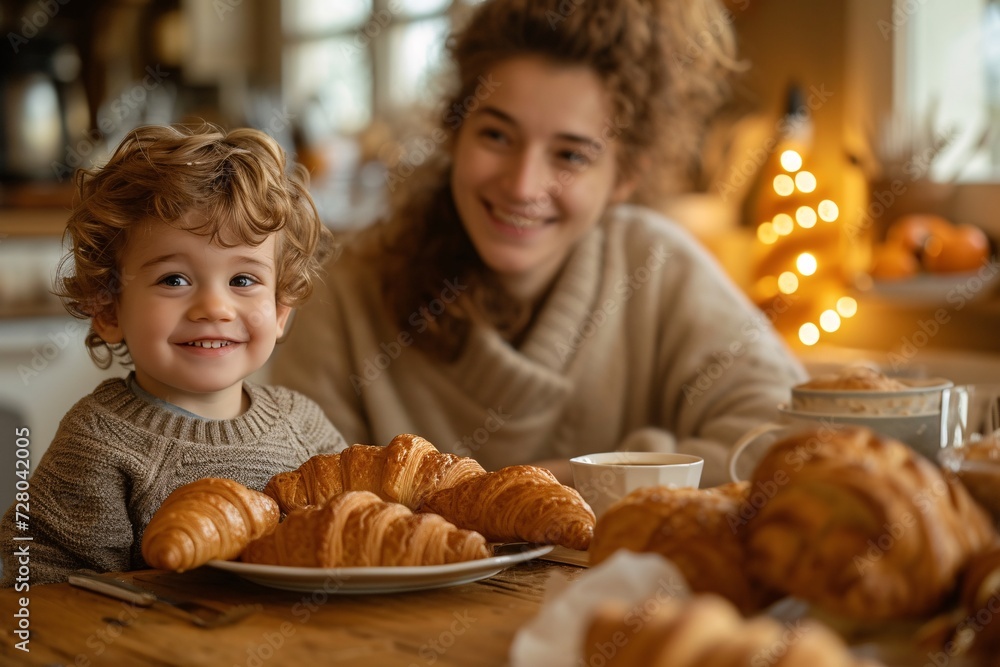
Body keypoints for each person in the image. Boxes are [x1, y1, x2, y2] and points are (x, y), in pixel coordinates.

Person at [272, 0, 807, 488]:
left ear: (624, 176)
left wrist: (594, 477)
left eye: (571, 156)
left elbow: (792, 440)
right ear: (455, 134)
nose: (524, 185)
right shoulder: (348, 290)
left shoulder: (657, 266)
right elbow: (301, 491)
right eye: (497, 136)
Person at [0, 124, 346, 586]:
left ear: (280, 311)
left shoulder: (305, 426)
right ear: (108, 308)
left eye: (243, 280)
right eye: (174, 280)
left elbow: (350, 538)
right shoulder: (98, 444)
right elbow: (41, 593)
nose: (214, 308)